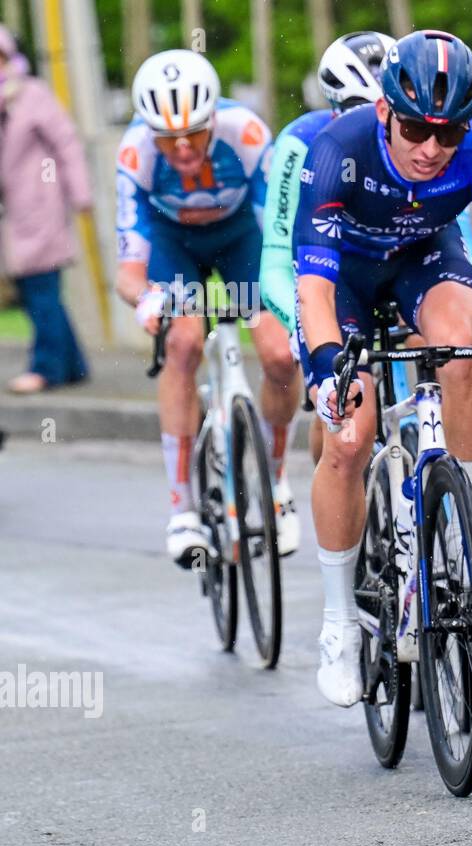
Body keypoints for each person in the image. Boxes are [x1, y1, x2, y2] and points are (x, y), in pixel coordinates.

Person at [294, 30, 472, 706]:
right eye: (418, 128)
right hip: (348, 279)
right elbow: (313, 290)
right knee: (349, 436)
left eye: (448, 133)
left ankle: (461, 524)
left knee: (460, 344)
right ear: (387, 112)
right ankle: (339, 621)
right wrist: (331, 364)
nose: (431, 148)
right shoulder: (338, 151)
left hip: (425, 256)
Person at [115, 49, 301, 565]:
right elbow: (129, 270)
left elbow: (279, 237)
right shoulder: (135, 153)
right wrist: (148, 299)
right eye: (166, 137)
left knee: (281, 355)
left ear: (213, 119)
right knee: (183, 342)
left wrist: (282, 299)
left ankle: (277, 482)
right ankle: (183, 509)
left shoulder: (248, 136)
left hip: (245, 240)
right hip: (173, 246)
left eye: (193, 134)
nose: (180, 148)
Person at [260, 30, 395, 465]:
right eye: (359, 112)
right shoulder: (300, 142)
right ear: (334, 108)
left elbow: (452, 230)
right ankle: (335, 501)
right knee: (338, 417)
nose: (372, 127)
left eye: (391, 113)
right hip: (325, 273)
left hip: (390, 269)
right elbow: (277, 264)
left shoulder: (416, 146)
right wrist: (303, 325)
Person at [0, 26, 93, 395]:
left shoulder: (32, 95)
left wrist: (81, 195)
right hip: (14, 214)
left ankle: (46, 368)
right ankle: (73, 365)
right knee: (40, 290)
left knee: (41, 287)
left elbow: (66, 142)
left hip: (42, 204)